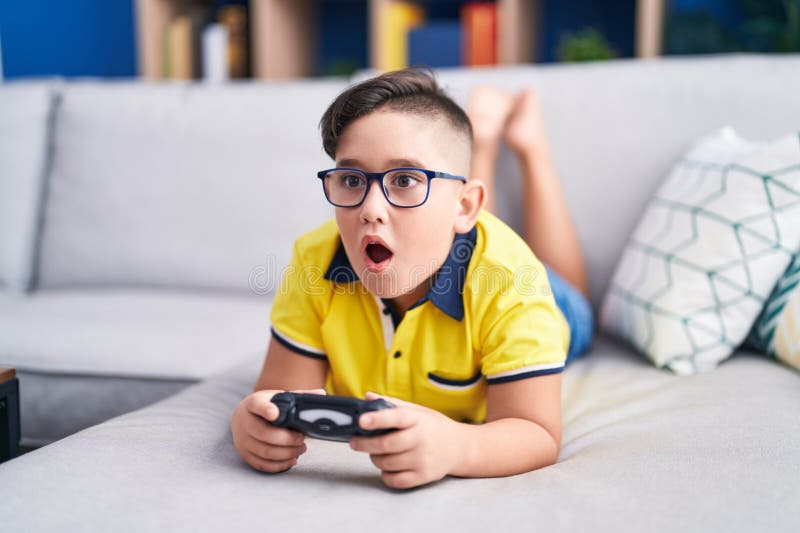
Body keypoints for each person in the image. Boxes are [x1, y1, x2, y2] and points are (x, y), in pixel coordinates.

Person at [230, 68, 594, 489]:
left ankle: (528, 147)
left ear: (466, 206)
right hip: (458, 237)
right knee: (446, 229)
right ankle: (483, 141)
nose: (370, 209)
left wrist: (457, 446)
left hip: (545, 296)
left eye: (404, 180)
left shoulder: (515, 282)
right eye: (351, 179)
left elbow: (537, 433)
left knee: (571, 293)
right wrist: (253, 422)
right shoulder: (314, 261)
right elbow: (279, 397)